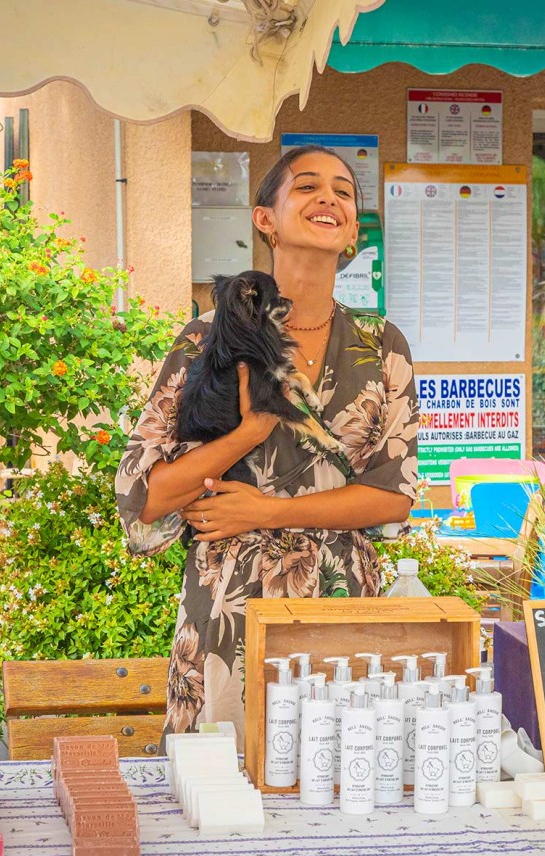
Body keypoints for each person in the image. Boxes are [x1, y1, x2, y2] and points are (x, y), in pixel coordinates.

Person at [115, 145, 419, 747]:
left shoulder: (381, 345)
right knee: (220, 796)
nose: (328, 198)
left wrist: (268, 512)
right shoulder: (209, 338)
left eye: (342, 192)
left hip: (342, 603)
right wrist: (249, 432)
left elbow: (394, 497)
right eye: (306, 187)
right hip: (229, 610)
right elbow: (143, 498)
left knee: (344, 786)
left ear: (354, 228)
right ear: (265, 220)